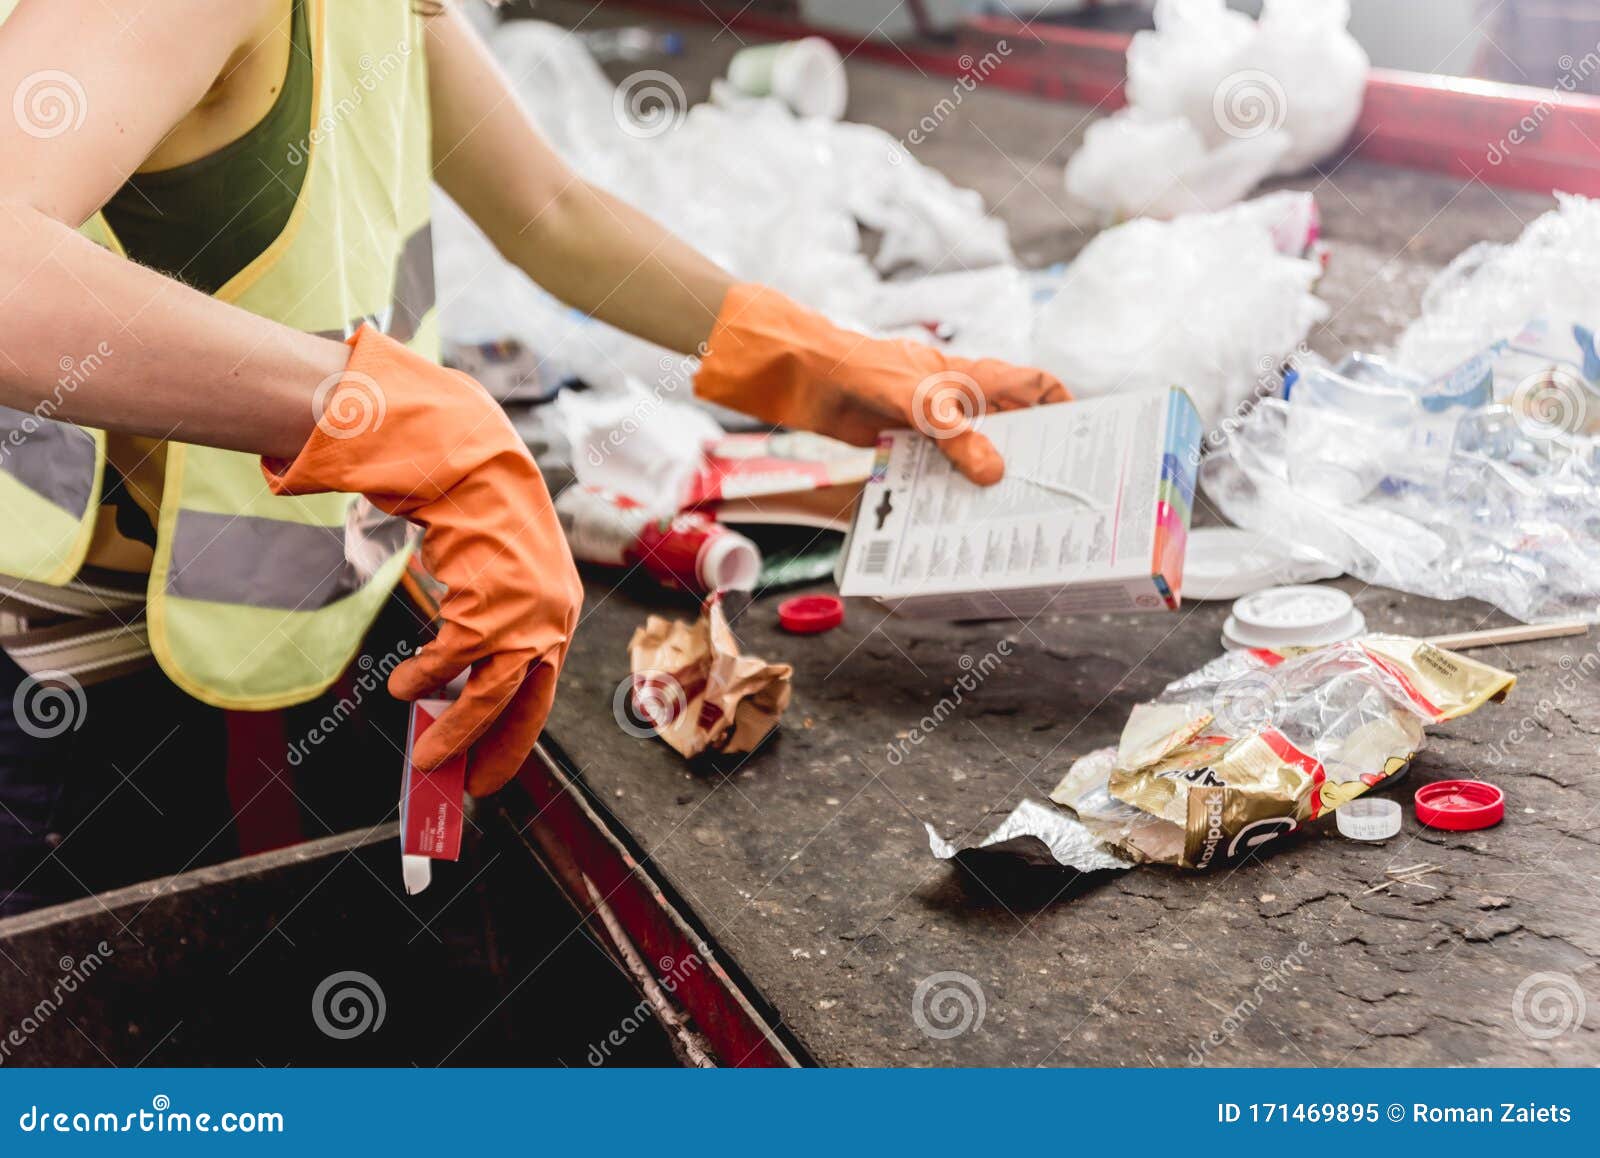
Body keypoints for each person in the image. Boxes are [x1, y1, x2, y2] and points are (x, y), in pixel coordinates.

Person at [0, 0, 1067, 915]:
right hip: (46, 662)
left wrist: (810, 359)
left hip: (191, 627)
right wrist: (424, 434)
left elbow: (547, 211)